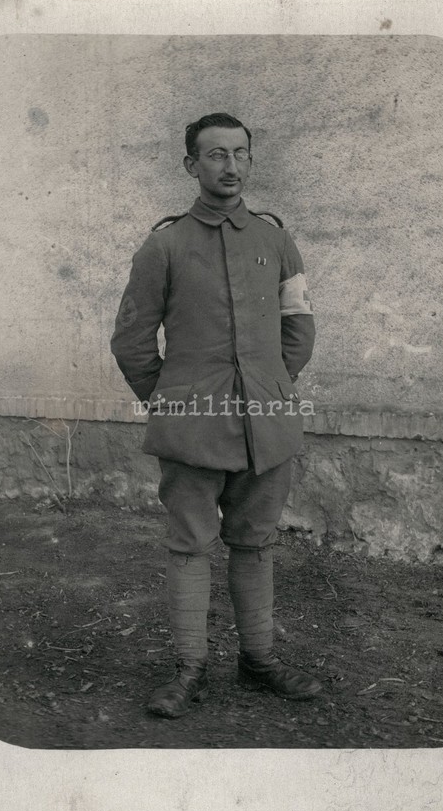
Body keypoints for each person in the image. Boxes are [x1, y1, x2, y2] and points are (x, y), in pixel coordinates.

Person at [111, 112, 322, 718]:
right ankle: (189, 669)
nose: (231, 166)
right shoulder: (164, 245)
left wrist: (272, 387)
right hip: (192, 429)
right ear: (191, 165)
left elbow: (298, 325)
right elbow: (131, 340)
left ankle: (259, 661)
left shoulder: (276, 240)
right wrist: (172, 401)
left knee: (255, 543)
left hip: (267, 427)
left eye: (240, 153)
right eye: (216, 155)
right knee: (190, 545)